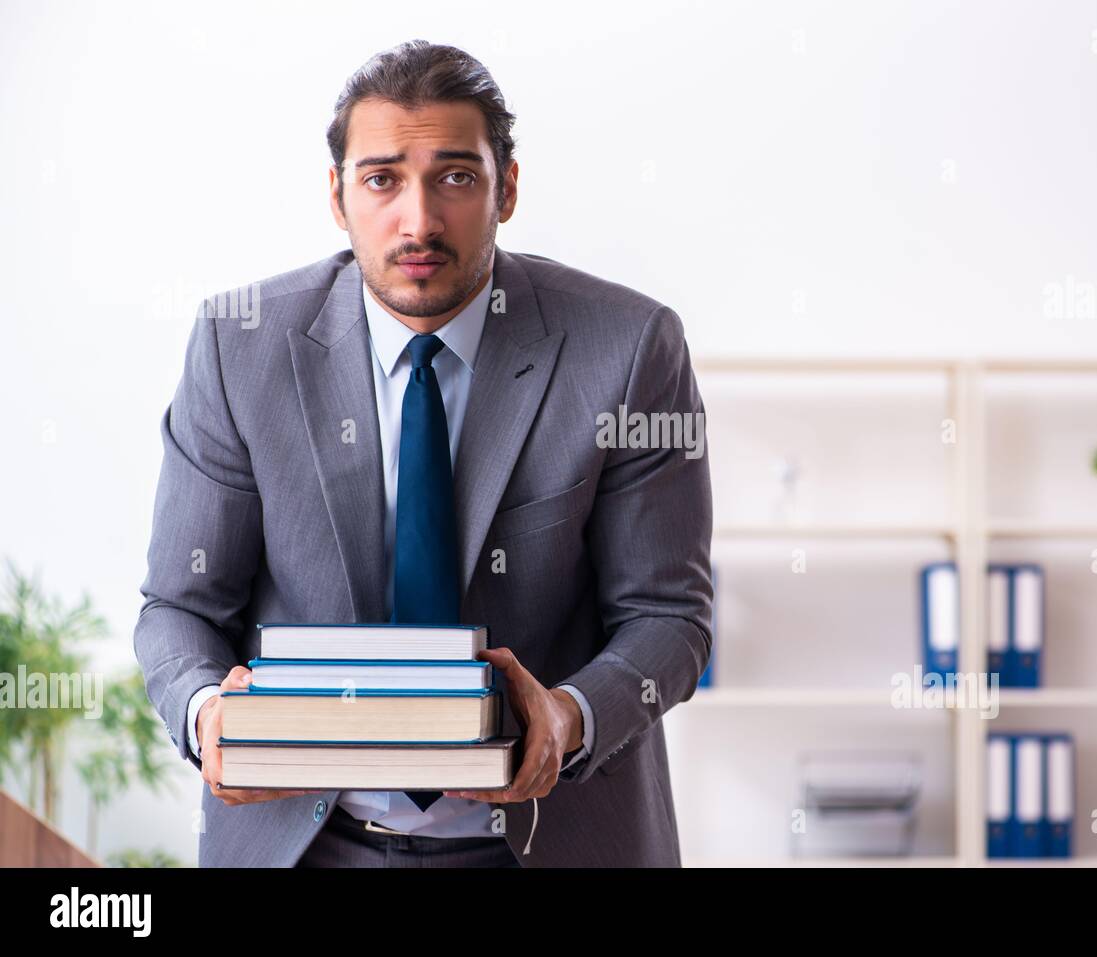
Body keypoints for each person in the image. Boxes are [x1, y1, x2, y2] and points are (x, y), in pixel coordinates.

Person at [133, 40, 713, 867]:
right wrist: (205, 714)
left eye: (456, 176)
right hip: (306, 843)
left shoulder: (627, 348)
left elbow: (668, 616)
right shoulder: (240, 348)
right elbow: (179, 608)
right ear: (336, 196)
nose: (419, 220)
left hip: (549, 837)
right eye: (382, 180)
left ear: (506, 187)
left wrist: (566, 716)